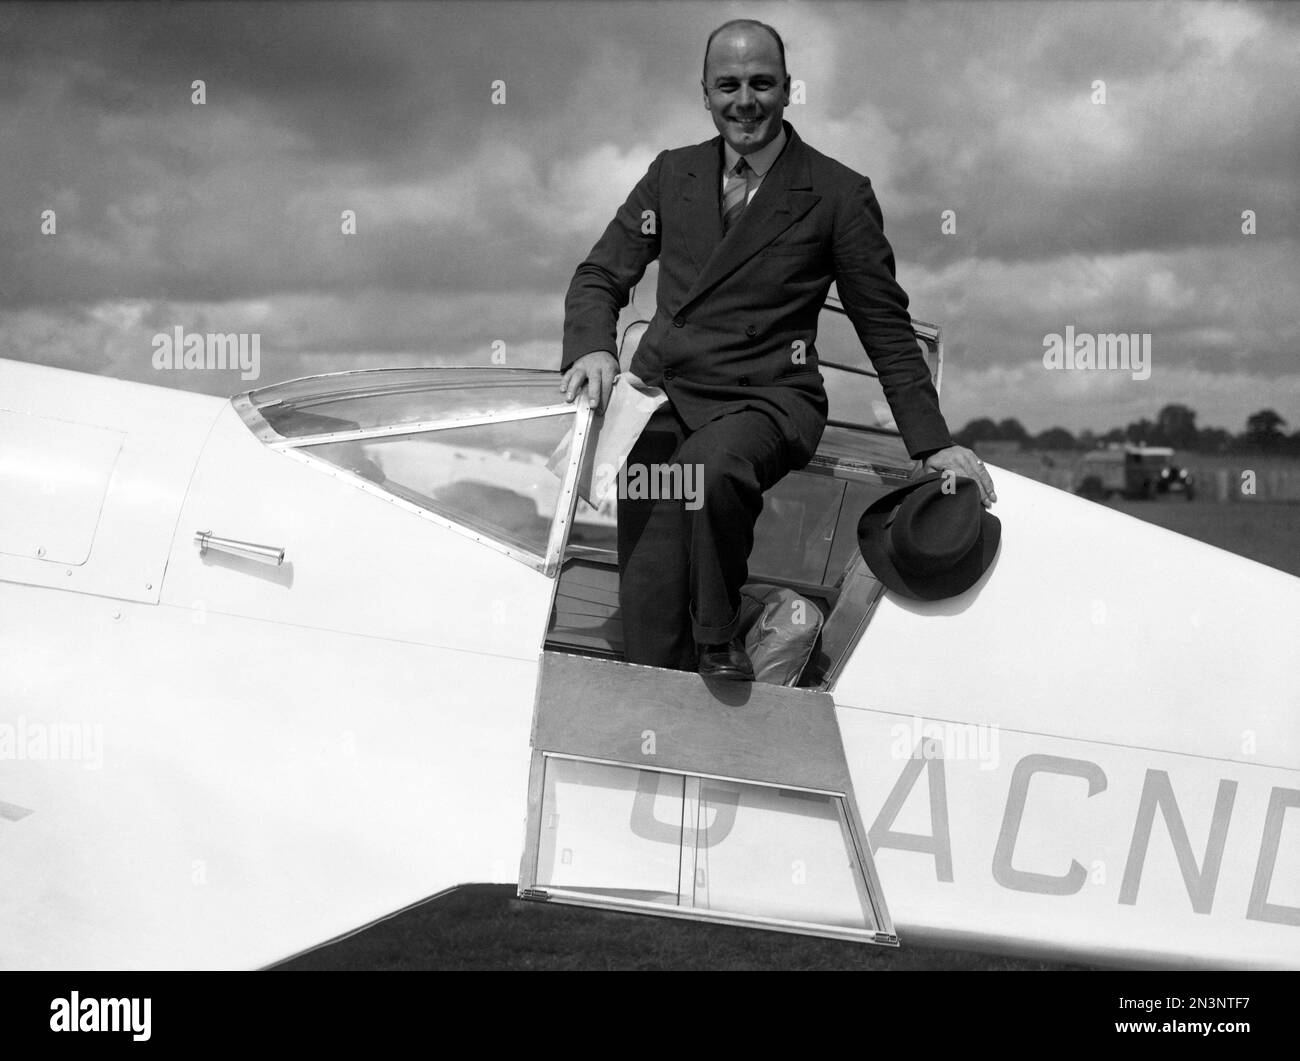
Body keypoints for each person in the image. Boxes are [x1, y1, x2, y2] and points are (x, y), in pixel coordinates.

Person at [560, 18, 995, 680]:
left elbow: (882, 321)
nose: (745, 101)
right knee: (649, 610)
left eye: (761, 84)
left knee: (712, 468)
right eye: (727, 85)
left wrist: (930, 442)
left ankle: (718, 637)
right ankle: (666, 724)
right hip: (662, 401)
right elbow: (600, 275)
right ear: (704, 94)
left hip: (769, 398)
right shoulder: (671, 175)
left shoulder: (837, 193)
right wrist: (592, 347)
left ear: (789, 90)